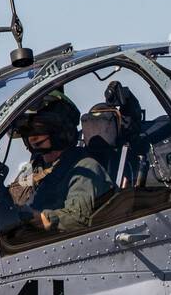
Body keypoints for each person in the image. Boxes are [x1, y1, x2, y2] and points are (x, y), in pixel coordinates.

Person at [8, 91, 111, 234]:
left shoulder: (86, 169)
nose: (33, 140)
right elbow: (14, 199)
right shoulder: (36, 168)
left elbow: (77, 219)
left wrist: (41, 219)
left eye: (39, 141)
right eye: (29, 135)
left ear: (60, 133)